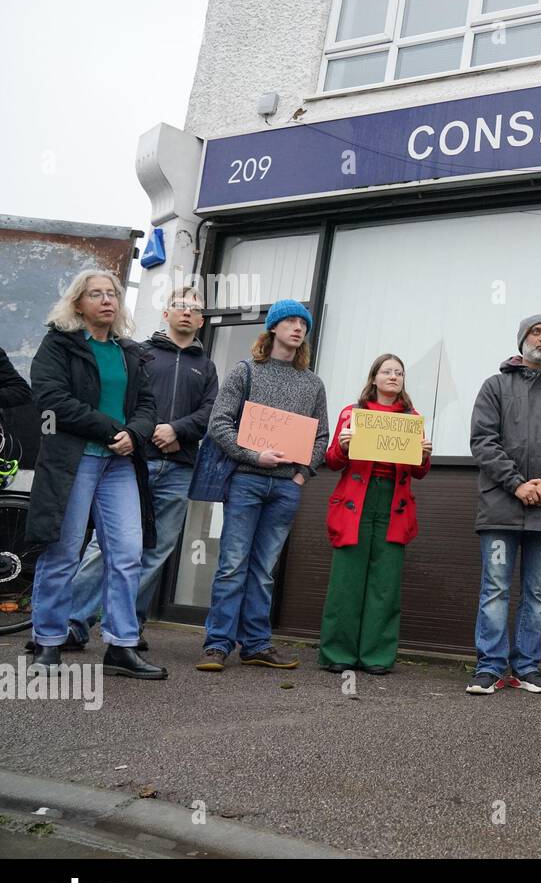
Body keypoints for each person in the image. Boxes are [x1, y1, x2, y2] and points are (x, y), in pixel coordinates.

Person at [25, 269, 167, 679]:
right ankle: (48, 641)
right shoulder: (59, 345)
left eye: (113, 294)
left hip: (120, 464)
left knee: (126, 554)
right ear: (78, 303)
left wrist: (135, 434)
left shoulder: (129, 352)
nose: (107, 300)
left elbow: (146, 405)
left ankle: (121, 646)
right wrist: (112, 430)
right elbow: (51, 400)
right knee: (63, 552)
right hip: (75, 461)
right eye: (96, 294)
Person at [59, 286, 218, 652]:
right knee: (106, 545)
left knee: (156, 549)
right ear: (166, 314)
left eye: (195, 310)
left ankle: (127, 628)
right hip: (133, 462)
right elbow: (127, 401)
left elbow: (210, 412)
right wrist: (152, 431)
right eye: (179, 306)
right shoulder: (137, 352)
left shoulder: (206, 367)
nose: (186, 313)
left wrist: (178, 430)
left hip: (179, 467)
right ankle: (74, 623)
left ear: (202, 321)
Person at [196, 299, 328, 672]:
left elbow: (322, 435)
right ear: (272, 328)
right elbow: (218, 423)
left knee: (264, 569)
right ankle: (217, 645)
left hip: (286, 488)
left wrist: (302, 475)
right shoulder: (246, 372)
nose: (297, 328)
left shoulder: (313, 383)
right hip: (246, 481)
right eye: (288, 321)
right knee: (232, 565)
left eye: (302, 323)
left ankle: (256, 644)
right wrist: (254, 457)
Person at [466, 315, 541, 696]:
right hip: (501, 509)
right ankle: (490, 668)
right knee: (496, 589)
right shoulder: (495, 387)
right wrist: (518, 485)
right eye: (536, 331)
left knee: (537, 593)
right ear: (522, 340)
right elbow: (484, 442)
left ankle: (527, 668)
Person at [319, 354, 431, 675]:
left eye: (399, 372)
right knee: (346, 579)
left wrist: (423, 456)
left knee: (386, 582)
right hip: (356, 500)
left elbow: (420, 472)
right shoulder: (352, 414)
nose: (393, 376)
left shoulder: (413, 418)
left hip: (393, 503)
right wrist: (342, 445)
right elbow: (333, 461)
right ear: (374, 378)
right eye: (387, 371)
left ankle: (377, 656)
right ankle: (337, 652)